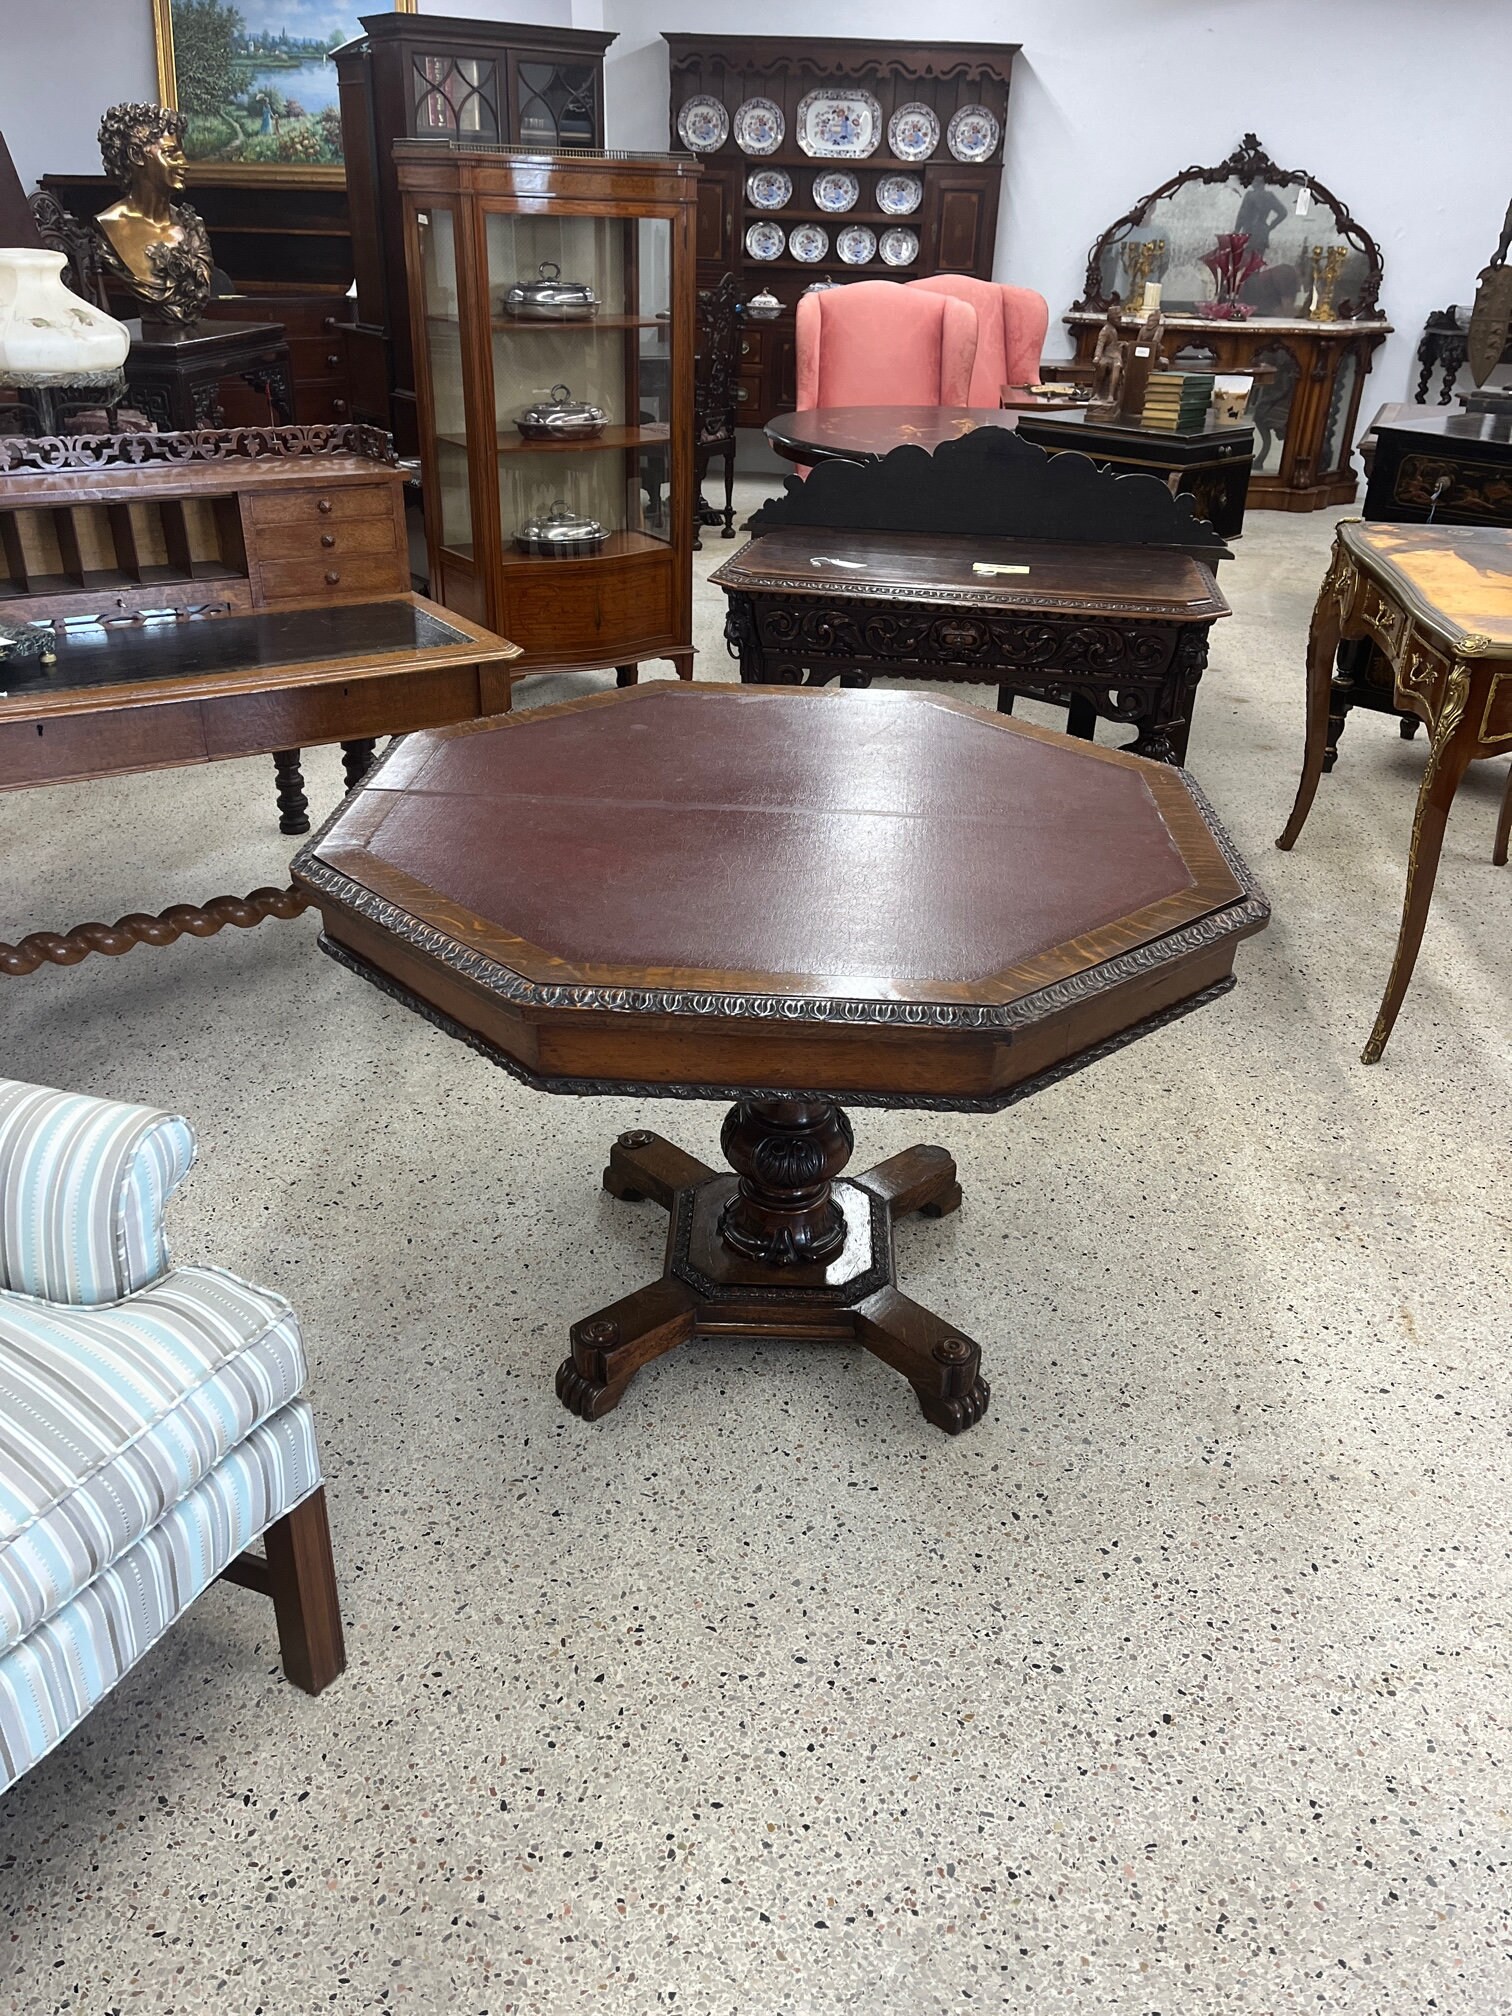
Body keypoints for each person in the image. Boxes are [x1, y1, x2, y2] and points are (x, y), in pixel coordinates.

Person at [92, 103, 212, 328]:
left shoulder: (192, 226)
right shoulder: (110, 226)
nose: (184, 164)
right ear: (136, 155)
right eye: (170, 154)